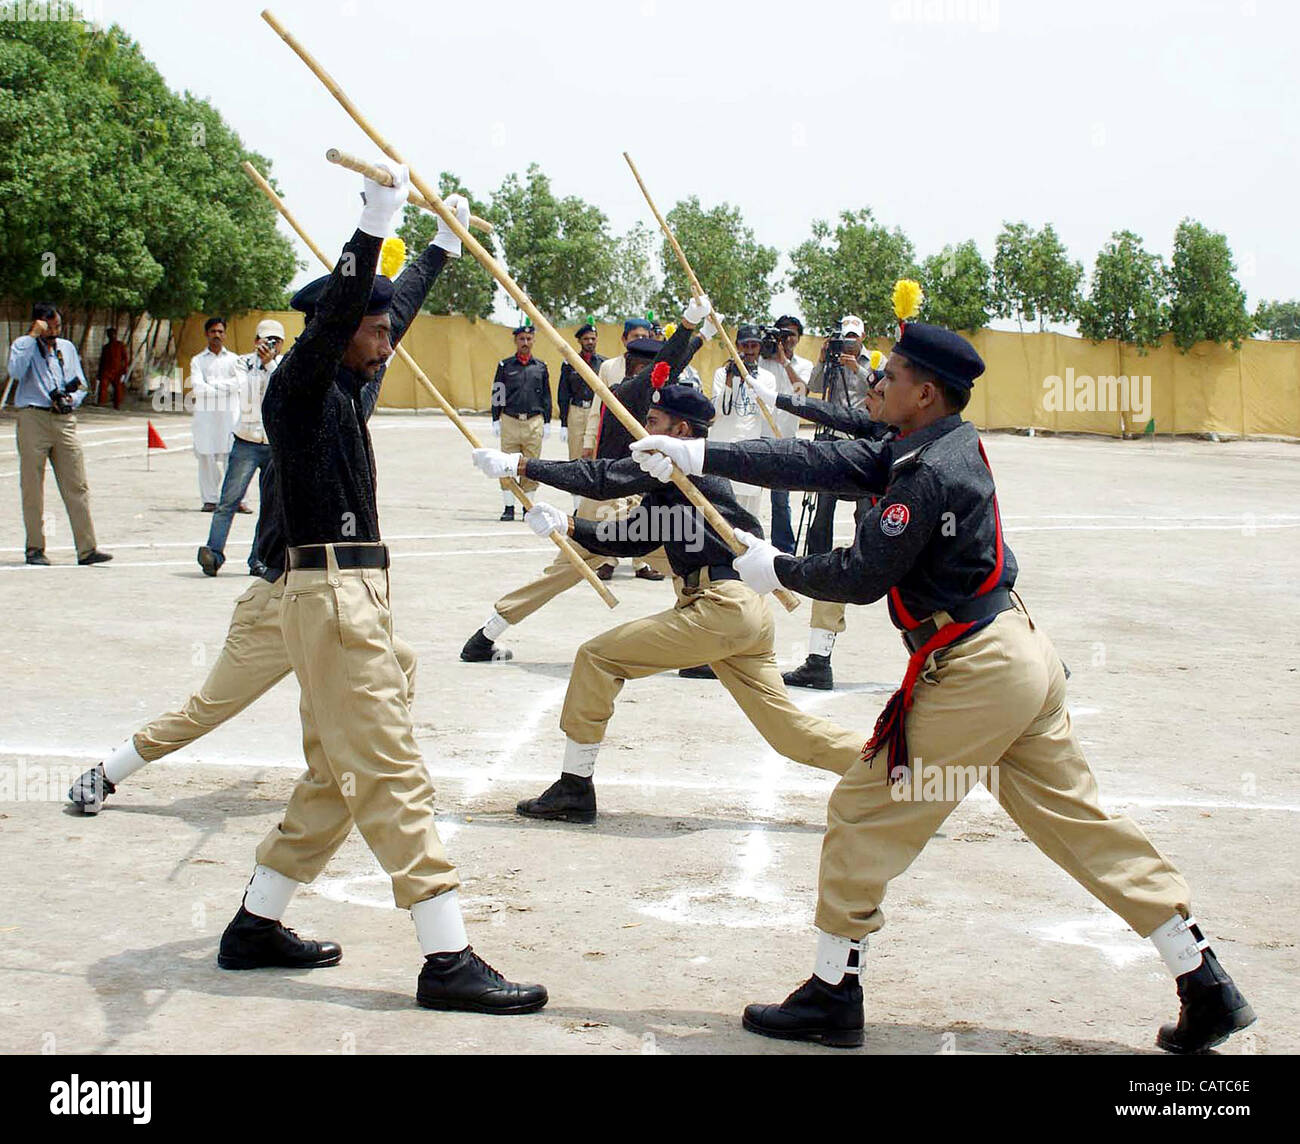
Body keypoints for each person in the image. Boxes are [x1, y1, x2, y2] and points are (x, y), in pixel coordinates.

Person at [628, 322, 1256, 1055]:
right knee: (1079, 823)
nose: (875, 384)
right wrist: (698, 452)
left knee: (863, 809)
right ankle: (1204, 979)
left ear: (923, 393)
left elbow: (862, 577)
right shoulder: (939, 442)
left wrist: (778, 569)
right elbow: (821, 460)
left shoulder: (925, 475)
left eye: (889, 376)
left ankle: (833, 994)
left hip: (976, 670)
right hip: (1016, 655)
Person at [220, 162, 545, 1013]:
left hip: (357, 598)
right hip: (326, 598)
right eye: (371, 331)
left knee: (337, 770)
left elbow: (385, 308)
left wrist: (436, 246)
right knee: (394, 770)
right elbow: (349, 312)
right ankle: (447, 960)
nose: (387, 342)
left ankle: (257, 921)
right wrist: (373, 220)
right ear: (333, 331)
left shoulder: (350, 384)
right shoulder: (295, 389)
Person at [467, 371, 866, 824]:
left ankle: (574, 788)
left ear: (681, 432)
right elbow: (636, 538)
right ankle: (896, 771)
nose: (643, 431)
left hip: (720, 607)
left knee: (596, 658)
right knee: (790, 734)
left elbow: (603, 477)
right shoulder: (676, 477)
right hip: (741, 610)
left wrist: (522, 466)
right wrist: (569, 525)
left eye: (653, 421)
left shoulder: (679, 466)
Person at [68, 345, 397, 815]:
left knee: (396, 664)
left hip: (330, 602)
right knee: (209, 707)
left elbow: (368, 373)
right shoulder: (298, 446)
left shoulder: (337, 421)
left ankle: (361, 775)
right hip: (277, 605)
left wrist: (426, 268)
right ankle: (105, 774)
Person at [457, 308, 708, 665]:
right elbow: (667, 363)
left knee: (559, 575)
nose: (667, 379)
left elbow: (673, 362)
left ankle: (485, 636)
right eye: (660, 372)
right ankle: (702, 651)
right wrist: (686, 327)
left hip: (611, 502)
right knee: (689, 562)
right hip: (620, 504)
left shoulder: (631, 393)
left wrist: (700, 338)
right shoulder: (635, 392)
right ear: (641, 367)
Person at [783, 314, 877, 690]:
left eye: (854, 340)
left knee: (869, 519)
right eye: (844, 340)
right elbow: (816, 390)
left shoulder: (876, 365)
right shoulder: (832, 362)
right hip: (832, 440)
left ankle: (867, 551)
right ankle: (819, 658)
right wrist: (825, 359)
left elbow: (877, 399)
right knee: (822, 514)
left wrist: (860, 369)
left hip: (865, 445)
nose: (849, 346)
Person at [6, 303, 111, 567]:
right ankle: (35, 548)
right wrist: (32, 337)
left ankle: (87, 549)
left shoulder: (66, 348)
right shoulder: (23, 344)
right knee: (32, 486)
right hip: (33, 417)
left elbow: (82, 383)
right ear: (38, 324)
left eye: (57, 327)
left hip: (64, 420)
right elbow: (16, 372)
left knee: (77, 484)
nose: (54, 332)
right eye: (48, 327)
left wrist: (71, 399)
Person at [198, 320, 284, 577]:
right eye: (265, 339)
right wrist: (259, 365)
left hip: (273, 444)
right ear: (256, 340)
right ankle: (213, 554)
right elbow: (242, 389)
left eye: (275, 341)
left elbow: (281, 388)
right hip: (245, 441)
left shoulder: (282, 366)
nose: (270, 345)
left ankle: (258, 559)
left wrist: (269, 364)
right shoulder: (241, 363)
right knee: (228, 501)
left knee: (270, 507)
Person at [758, 315, 813, 554]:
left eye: (791, 334)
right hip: (759, 434)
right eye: (782, 333)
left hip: (785, 437)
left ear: (799, 338)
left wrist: (784, 362)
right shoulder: (763, 359)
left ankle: (784, 551)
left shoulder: (804, 365)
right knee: (747, 495)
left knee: (780, 500)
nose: (786, 339)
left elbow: (802, 395)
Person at [490, 324, 551, 521]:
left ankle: (527, 507)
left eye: (529, 339)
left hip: (534, 421)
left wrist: (548, 421)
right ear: (515, 341)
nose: (525, 342)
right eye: (522, 339)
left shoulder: (541, 367)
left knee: (531, 465)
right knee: (506, 465)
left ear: (533, 341)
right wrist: (495, 418)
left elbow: (546, 396)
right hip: (510, 420)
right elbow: (498, 391)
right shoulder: (505, 366)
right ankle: (509, 507)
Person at [709, 325, 766, 517]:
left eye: (754, 345)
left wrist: (750, 380)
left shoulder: (767, 378)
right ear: (736, 346)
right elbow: (717, 411)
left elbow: (767, 412)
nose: (749, 350)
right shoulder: (721, 374)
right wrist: (730, 378)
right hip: (722, 451)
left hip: (748, 454)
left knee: (748, 518)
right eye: (744, 345)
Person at [189, 317, 241, 512]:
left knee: (233, 459)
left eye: (220, 331)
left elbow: (238, 384)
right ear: (207, 334)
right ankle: (210, 499)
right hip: (206, 419)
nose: (217, 335)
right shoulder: (197, 361)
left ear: (225, 334)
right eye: (213, 331)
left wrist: (211, 384)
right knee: (206, 457)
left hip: (229, 418)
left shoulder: (235, 360)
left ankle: (234, 500)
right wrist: (224, 387)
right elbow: (198, 388)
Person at [556, 324, 604, 474]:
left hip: (595, 411)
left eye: (593, 338)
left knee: (596, 452)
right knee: (576, 454)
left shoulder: (604, 364)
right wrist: (564, 422)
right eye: (586, 339)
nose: (590, 342)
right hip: (576, 411)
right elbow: (563, 394)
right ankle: (576, 496)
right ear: (579, 341)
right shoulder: (570, 363)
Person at [95, 327, 130, 409]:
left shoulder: (120, 346)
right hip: (106, 370)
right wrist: (99, 373)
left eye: (113, 334)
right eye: (109, 335)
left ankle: (117, 404)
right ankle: (102, 403)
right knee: (103, 386)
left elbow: (125, 359)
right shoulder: (106, 347)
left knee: (118, 388)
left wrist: (124, 371)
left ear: (115, 335)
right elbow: (102, 361)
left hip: (117, 371)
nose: (111, 336)